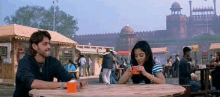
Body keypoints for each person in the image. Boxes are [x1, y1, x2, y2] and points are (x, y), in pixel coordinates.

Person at [13, 30, 87, 97]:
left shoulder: (52, 61)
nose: (49, 47)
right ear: (35, 46)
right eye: (45, 44)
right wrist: (62, 84)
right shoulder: (25, 62)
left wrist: (75, 82)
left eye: (49, 44)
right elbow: (32, 83)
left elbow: (67, 77)